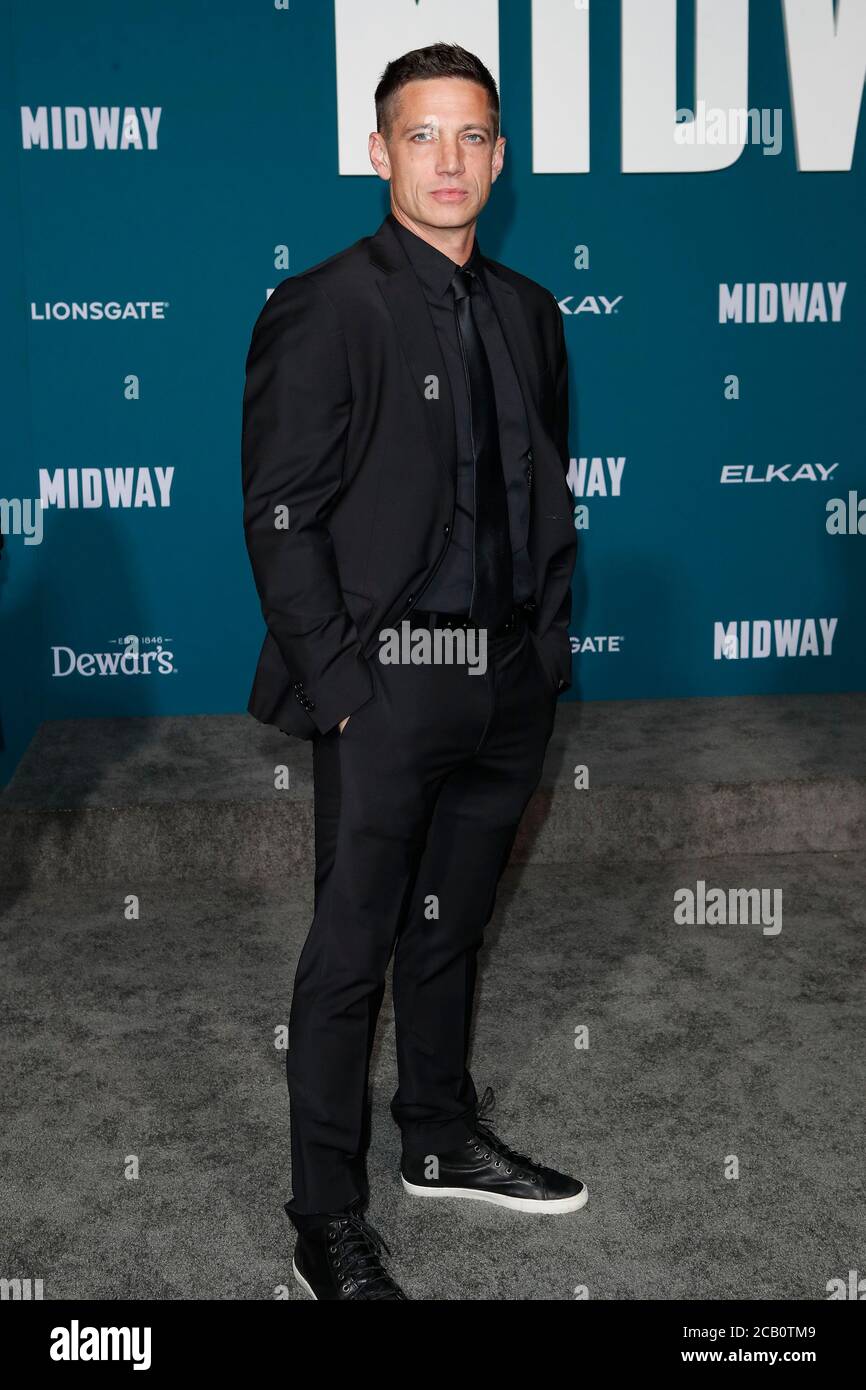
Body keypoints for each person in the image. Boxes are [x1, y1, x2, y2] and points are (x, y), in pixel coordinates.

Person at [242, 42, 584, 1302]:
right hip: (381, 684)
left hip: (504, 682)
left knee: (451, 931)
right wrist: (340, 684)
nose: (449, 159)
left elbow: (543, 494)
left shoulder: (533, 312)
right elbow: (280, 513)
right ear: (378, 151)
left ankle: (436, 1132)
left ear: (499, 155)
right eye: (422, 135)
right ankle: (323, 1214)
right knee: (350, 953)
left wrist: (542, 654)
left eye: (472, 135)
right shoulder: (324, 304)